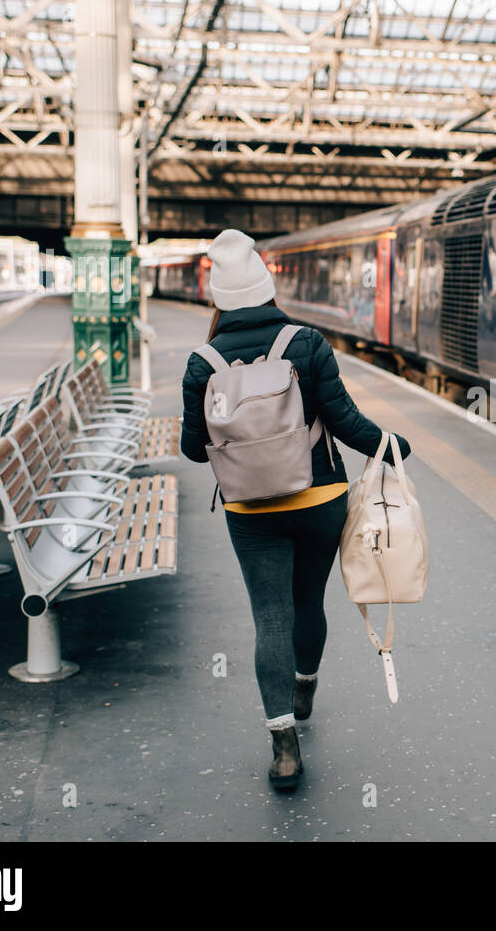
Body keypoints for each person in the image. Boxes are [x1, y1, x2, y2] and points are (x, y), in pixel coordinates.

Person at [180, 229, 411, 792]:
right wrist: (392, 446)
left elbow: (192, 448)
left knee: (270, 618)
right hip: (319, 499)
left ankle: (284, 745)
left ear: (217, 297)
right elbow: (345, 421)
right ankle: (304, 683)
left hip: (250, 510)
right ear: (264, 286)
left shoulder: (201, 361)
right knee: (307, 601)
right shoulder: (306, 343)